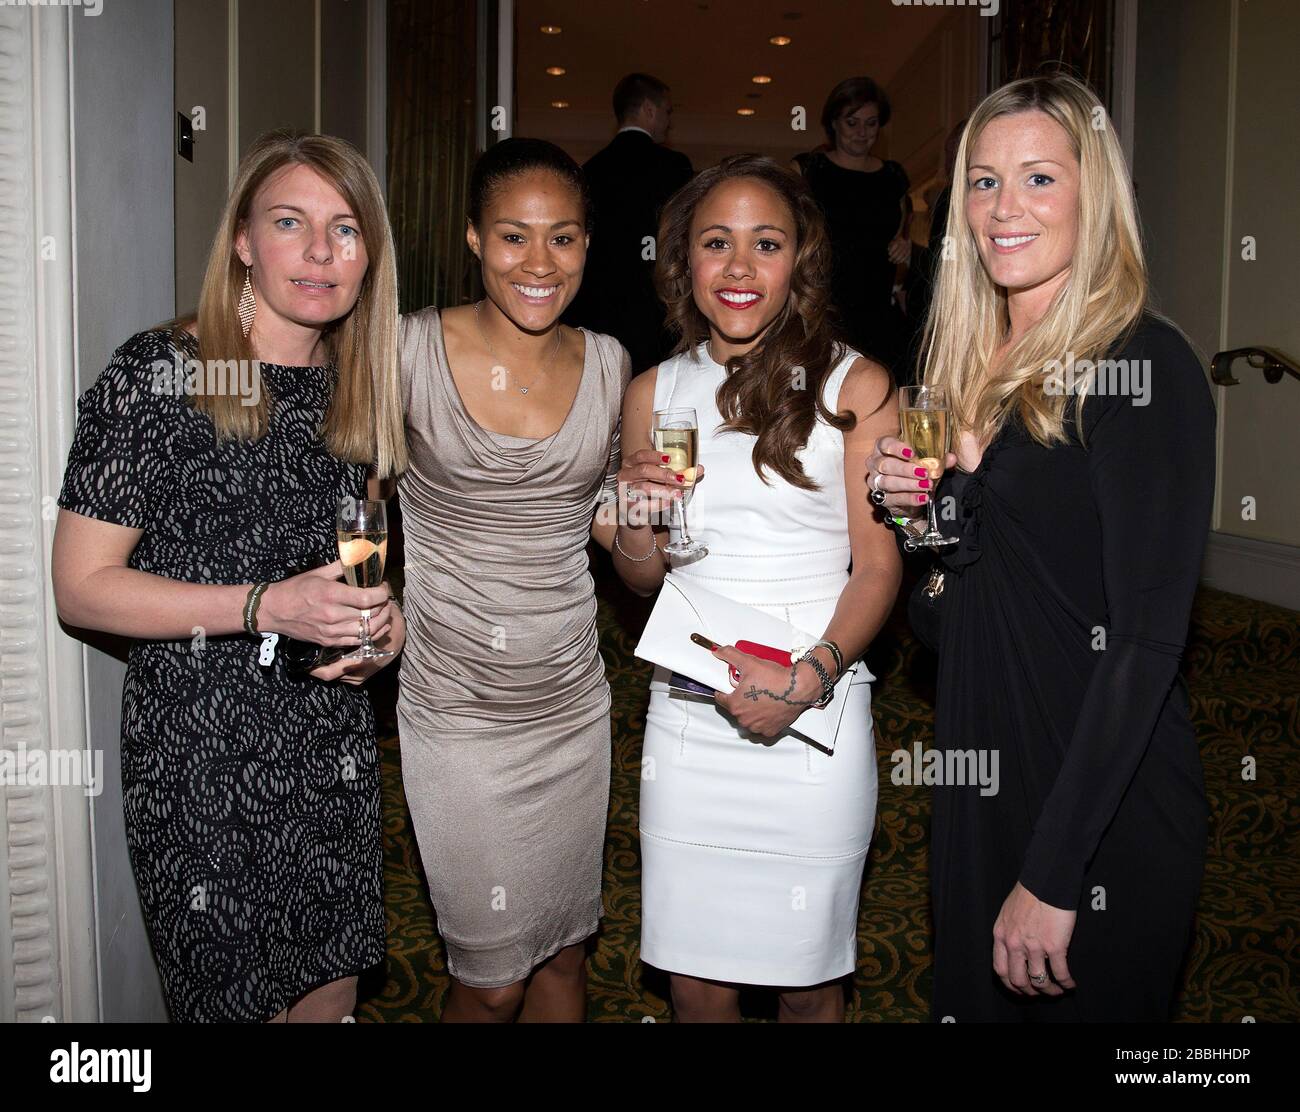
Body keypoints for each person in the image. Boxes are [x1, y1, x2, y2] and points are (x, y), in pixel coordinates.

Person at [866, 73, 1215, 1021]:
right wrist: (933, 520)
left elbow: (1144, 645)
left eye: (1039, 179)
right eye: (982, 182)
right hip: (984, 777)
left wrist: (1058, 873)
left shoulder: (1141, 365)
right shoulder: (961, 378)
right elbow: (946, 630)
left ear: (1092, 196)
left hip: (1096, 814)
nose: (1003, 208)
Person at [51, 130, 408, 1022]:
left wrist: (379, 632)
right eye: (291, 223)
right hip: (202, 760)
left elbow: (359, 565)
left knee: (328, 1001)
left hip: (328, 750)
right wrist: (263, 606)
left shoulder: (355, 389)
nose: (322, 253)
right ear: (244, 241)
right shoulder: (159, 374)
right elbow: (82, 586)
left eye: (346, 230)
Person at [612, 154, 901, 1022]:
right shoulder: (654, 389)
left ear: (799, 260)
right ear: (684, 264)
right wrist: (637, 520)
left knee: (811, 982)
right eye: (716, 243)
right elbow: (640, 577)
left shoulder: (858, 385)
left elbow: (879, 567)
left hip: (815, 713)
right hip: (691, 724)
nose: (739, 268)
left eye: (765, 244)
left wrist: (806, 684)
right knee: (697, 982)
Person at [395, 138, 630, 1022]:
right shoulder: (409, 348)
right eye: (513, 237)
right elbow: (357, 505)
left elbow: (622, 549)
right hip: (456, 706)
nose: (539, 263)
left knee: (566, 956)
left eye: (563, 239)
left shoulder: (610, 364)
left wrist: (650, 527)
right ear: (472, 238)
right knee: (490, 983)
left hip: (570, 701)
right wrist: (366, 602)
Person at [563, 72, 694, 373]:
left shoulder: (588, 171)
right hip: (658, 319)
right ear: (649, 109)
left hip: (597, 320)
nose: (668, 120)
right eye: (667, 111)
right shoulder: (674, 167)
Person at [792, 76, 911, 377]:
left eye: (871, 124)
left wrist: (904, 243)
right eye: (852, 122)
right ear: (833, 122)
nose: (862, 133)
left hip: (878, 314)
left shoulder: (893, 177)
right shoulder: (809, 171)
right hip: (823, 310)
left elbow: (902, 228)